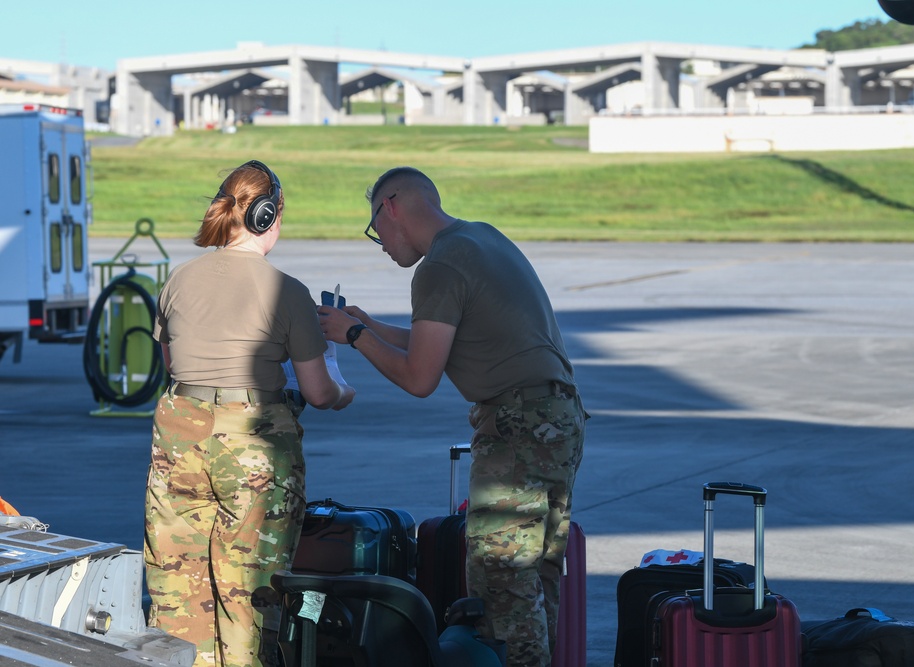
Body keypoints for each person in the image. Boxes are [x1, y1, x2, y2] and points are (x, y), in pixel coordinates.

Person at [318, 167, 586, 667]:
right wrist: (369, 325)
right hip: (557, 420)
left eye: (375, 229)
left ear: (391, 207)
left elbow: (421, 378)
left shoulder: (438, 267)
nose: (380, 243)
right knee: (536, 577)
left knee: (503, 581)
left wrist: (355, 338)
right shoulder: (479, 238)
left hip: (517, 427)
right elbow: (440, 340)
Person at [144, 160, 355, 667]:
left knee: (177, 599)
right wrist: (337, 373)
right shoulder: (288, 292)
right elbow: (320, 393)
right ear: (269, 215)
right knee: (249, 599)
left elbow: (174, 368)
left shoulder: (177, 280)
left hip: (179, 440)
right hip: (253, 448)